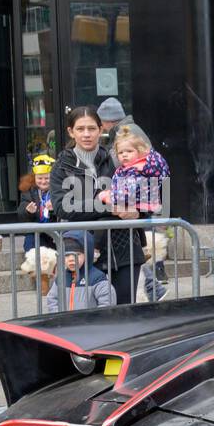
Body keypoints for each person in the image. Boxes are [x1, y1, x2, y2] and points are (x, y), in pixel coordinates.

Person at [50, 107, 142, 305]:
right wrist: (106, 205)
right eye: (80, 129)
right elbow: (63, 207)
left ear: (101, 130)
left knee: (125, 314)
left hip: (125, 249)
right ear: (70, 132)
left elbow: (144, 195)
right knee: (90, 319)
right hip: (83, 254)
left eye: (91, 128)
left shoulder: (119, 159)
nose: (86, 134)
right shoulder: (61, 167)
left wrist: (138, 211)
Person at [102, 128, 171, 301]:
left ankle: (154, 287)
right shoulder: (126, 169)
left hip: (139, 208)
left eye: (129, 151)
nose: (124, 155)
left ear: (139, 151)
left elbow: (128, 193)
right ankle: (154, 288)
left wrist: (106, 196)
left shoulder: (137, 170)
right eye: (120, 152)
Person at [44, 230, 115, 313]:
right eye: (66, 255)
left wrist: (95, 320)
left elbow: (107, 303)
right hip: (66, 323)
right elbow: (52, 300)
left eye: (77, 254)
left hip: (89, 324)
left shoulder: (97, 278)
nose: (71, 259)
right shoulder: (61, 278)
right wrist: (59, 318)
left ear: (87, 254)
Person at [17, 154, 57, 251]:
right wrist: (28, 211)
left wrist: (54, 209)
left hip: (57, 231)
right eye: (39, 178)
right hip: (37, 232)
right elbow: (21, 212)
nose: (43, 182)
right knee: (30, 243)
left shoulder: (60, 190)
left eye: (47, 178)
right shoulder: (28, 191)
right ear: (34, 178)